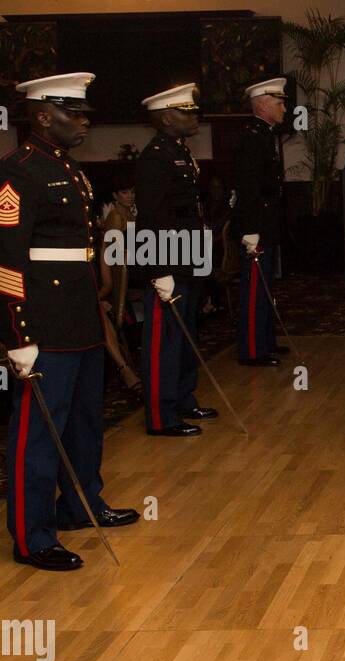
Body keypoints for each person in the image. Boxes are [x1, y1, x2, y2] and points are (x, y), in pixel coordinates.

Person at [0, 72, 138, 570]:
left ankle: (81, 504)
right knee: (37, 433)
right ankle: (32, 536)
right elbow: (5, 259)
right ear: (45, 116)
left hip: (78, 314)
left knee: (85, 422)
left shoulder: (70, 169)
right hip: (42, 321)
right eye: (76, 112)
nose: (86, 120)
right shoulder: (17, 171)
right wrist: (19, 333)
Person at [136, 83, 216, 437]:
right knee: (164, 340)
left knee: (187, 334)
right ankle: (160, 415)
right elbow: (152, 217)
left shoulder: (179, 151)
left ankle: (184, 397)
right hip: (168, 257)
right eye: (186, 111)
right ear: (167, 117)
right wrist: (159, 270)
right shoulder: (155, 157)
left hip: (188, 252)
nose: (194, 116)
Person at [231, 77, 286, 366]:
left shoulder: (265, 134)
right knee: (254, 288)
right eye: (279, 103)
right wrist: (250, 230)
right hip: (256, 224)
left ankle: (265, 341)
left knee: (266, 286)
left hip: (266, 221)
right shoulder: (253, 137)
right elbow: (248, 186)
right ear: (263, 105)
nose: (285, 108)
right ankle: (252, 349)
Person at [95, 170, 141, 395]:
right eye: (125, 192)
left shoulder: (130, 215)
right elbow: (112, 259)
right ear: (115, 195)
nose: (130, 196)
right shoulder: (115, 218)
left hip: (132, 273)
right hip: (118, 279)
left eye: (132, 191)